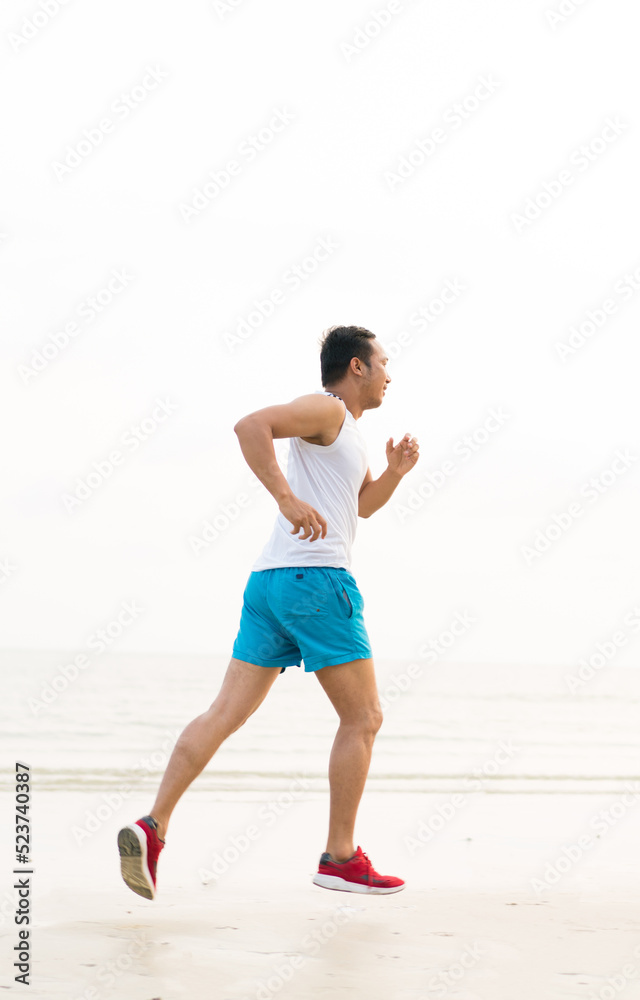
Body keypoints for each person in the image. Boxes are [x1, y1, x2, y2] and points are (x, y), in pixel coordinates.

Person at [117, 325, 419, 899]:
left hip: (271, 583)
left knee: (225, 713)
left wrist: (394, 476)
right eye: (382, 363)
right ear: (356, 367)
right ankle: (341, 857)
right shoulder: (327, 409)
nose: (388, 375)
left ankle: (152, 827)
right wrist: (284, 498)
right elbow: (250, 425)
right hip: (318, 579)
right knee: (364, 718)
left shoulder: (344, 432)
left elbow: (360, 508)